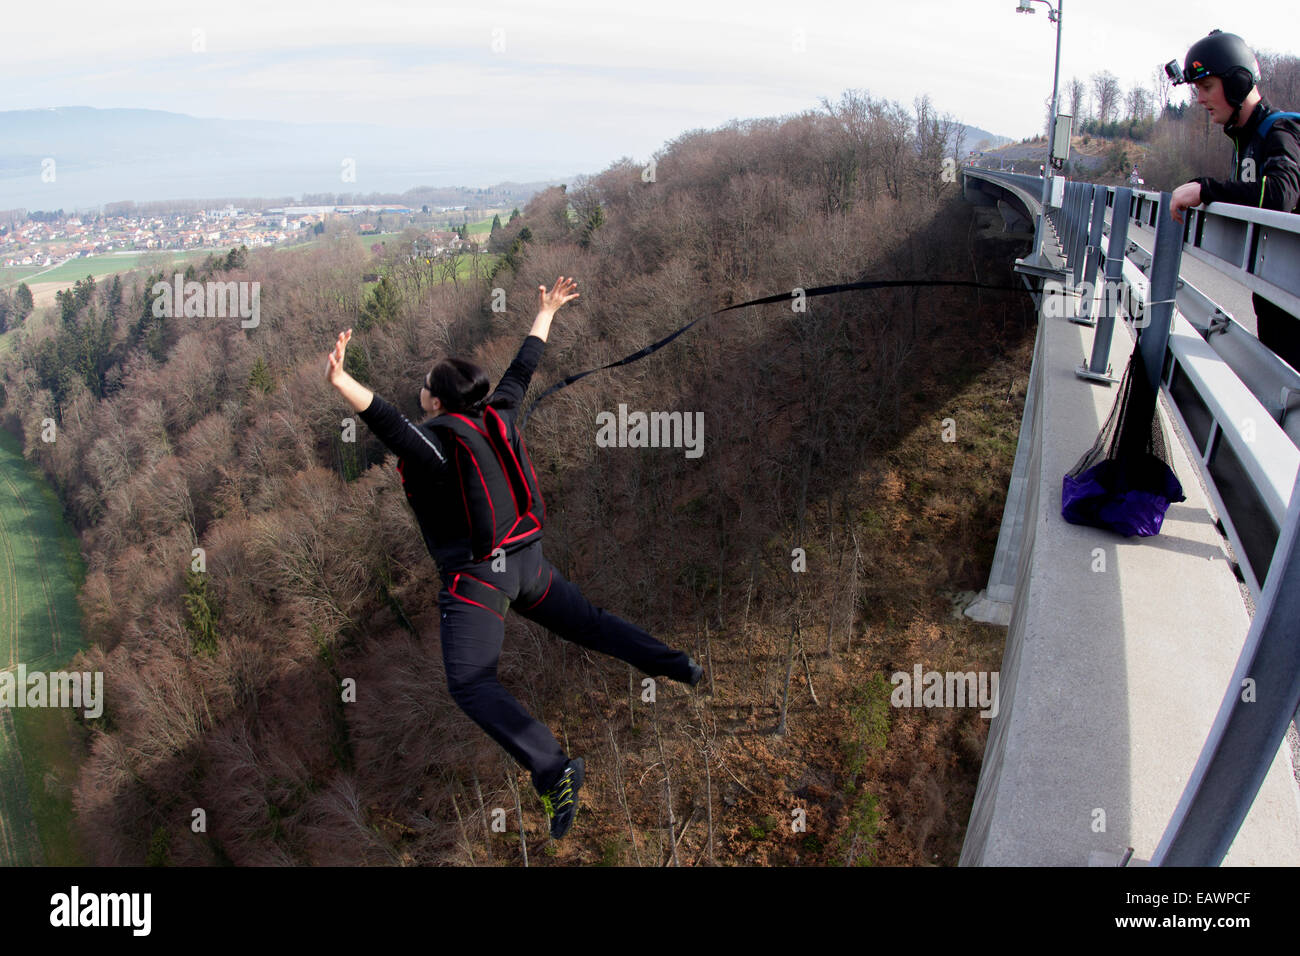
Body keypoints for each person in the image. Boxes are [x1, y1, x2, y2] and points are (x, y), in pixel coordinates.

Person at [326, 276, 703, 840]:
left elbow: (388, 421)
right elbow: (522, 370)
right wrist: (545, 312)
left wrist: (339, 380)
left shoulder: (436, 442)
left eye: (426, 388)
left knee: (471, 684)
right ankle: (676, 665)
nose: (421, 394)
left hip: (481, 579)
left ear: (437, 401)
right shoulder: (498, 409)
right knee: (593, 626)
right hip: (529, 564)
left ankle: (553, 769)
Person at [1168, 30, 1300, 371]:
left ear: (1238, 83)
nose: (1200, 99)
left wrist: (1206, 189)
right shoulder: (1248, 140)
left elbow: (1279, 194)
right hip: (1279, 300)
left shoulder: (1279, 130)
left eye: (1207, 86)